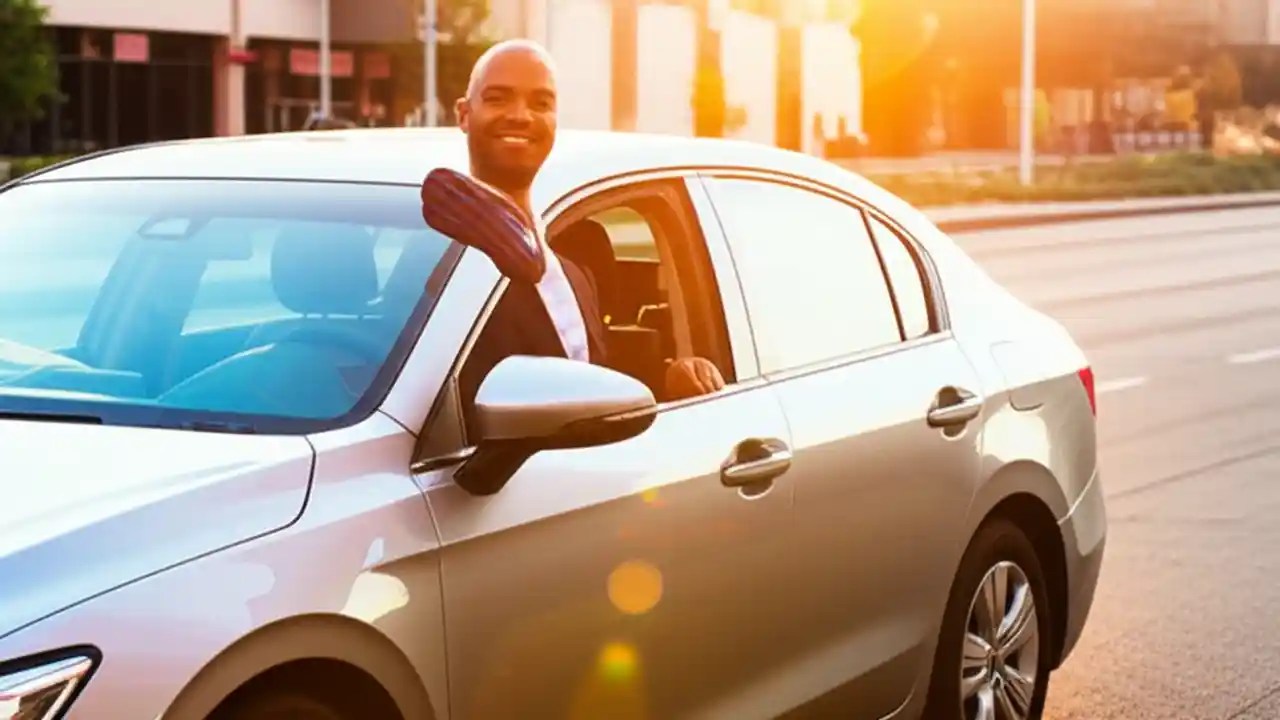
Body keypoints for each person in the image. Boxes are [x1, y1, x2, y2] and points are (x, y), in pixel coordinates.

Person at [449, 40, 725, 435]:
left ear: (554, 120)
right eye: (497, 99)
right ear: (464, 114)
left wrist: (670, 379)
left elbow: (592, 381)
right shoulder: (443, 262)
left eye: (541, 103)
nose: (520, 116)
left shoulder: (576, 277)